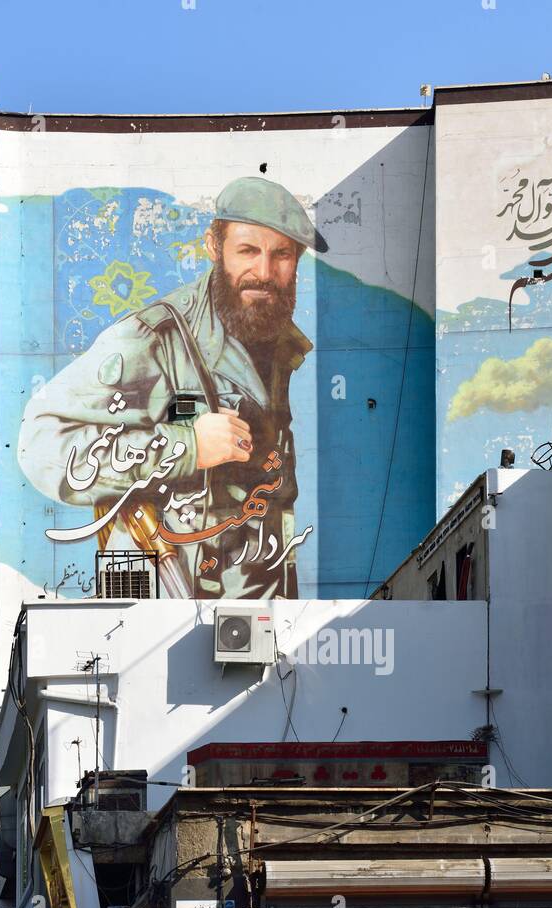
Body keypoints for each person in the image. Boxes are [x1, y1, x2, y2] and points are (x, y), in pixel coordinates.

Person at [18, 177, 326, 600]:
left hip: (256, 622)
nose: (265, 273)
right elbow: (41, 443)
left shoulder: (280, 345)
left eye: (282, 255)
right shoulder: (155, 338)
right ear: (213, 248)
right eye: (248, 251)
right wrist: (186, 448)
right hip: (163, 620)